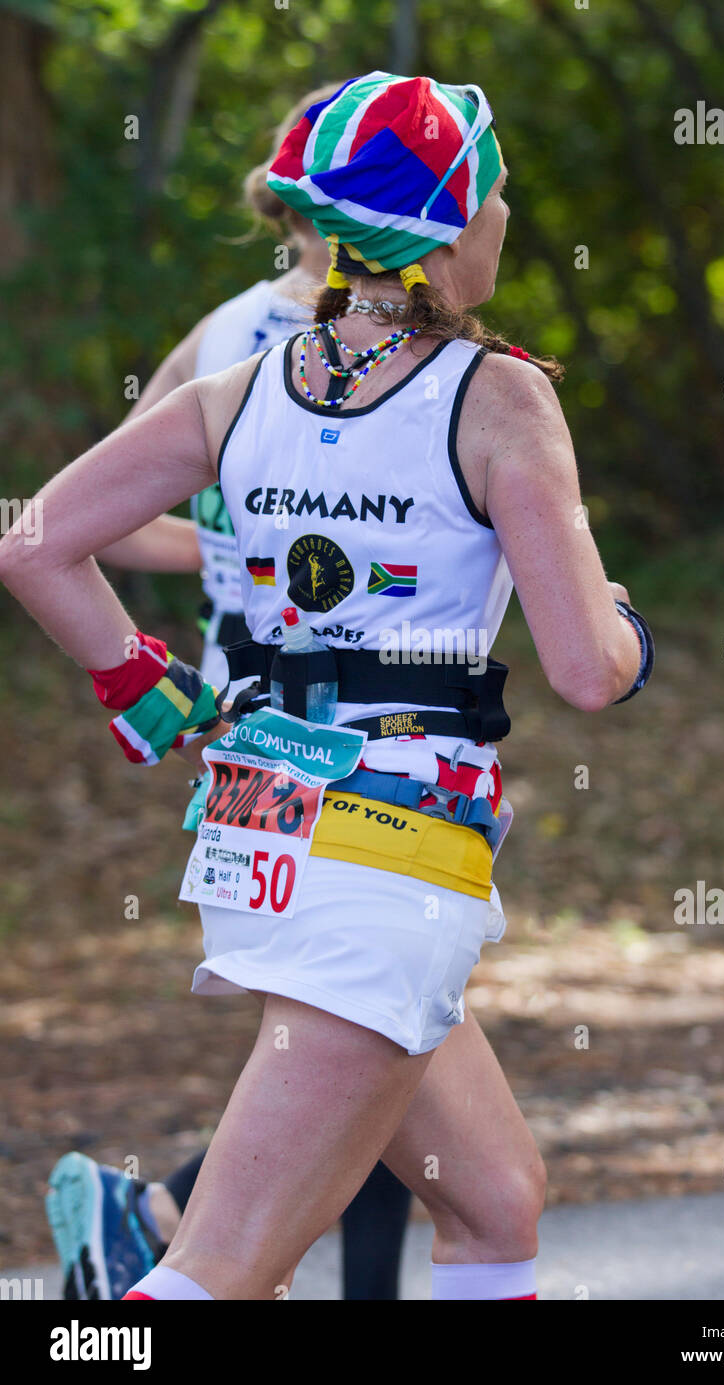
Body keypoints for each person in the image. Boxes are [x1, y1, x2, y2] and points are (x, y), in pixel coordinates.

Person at [1, 70, 653, 1301]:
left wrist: (151, 695)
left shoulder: (236, 392)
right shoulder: (501, 396)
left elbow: (33, 543)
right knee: (218, 1274)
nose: (507, 218)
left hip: (263, 846)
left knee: (495, 1201)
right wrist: (626, 622)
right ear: (454, 224)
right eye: (498, 194)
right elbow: (585, 670)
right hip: (387, 860)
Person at [43, 84, 415, 1302]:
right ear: (329, 209)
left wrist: (232, 534)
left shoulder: (305, 340)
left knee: (364, 1056)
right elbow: (97, 514)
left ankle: (151, 1217)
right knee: (367, 1051)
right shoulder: (274, 342)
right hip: (299, 745)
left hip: (320, 741)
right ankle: (159, 1241)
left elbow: (110, 515)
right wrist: (230, 542)